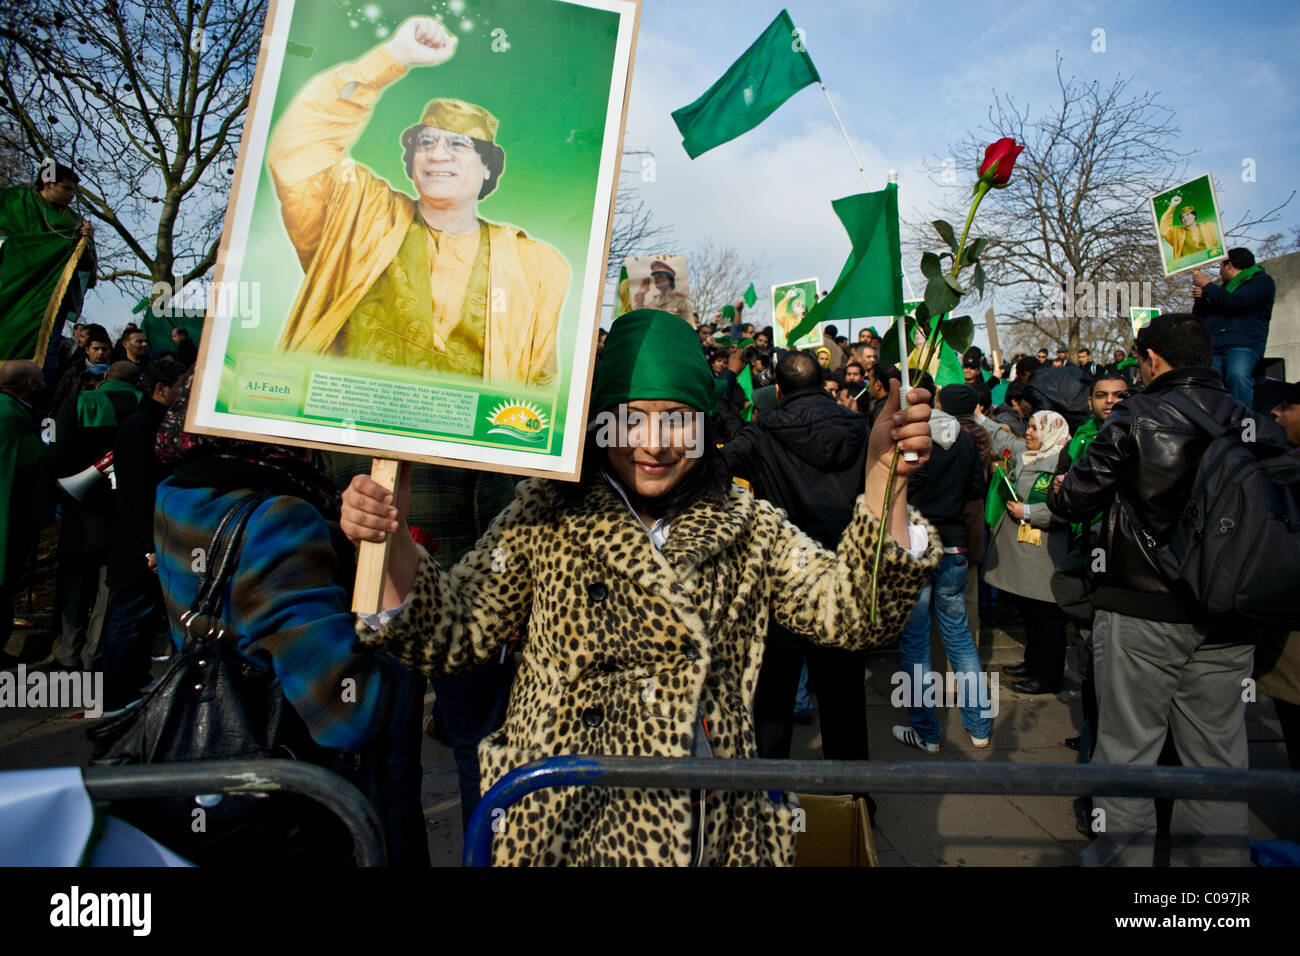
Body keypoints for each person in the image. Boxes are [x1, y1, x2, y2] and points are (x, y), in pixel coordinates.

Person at [340, 309, 939, 866]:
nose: (653, 442)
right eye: (630, 417)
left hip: (709, 828)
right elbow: (455, 635)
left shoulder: (748, 524)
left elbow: (856, 615)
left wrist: (885, 478)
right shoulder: (544, 514)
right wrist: (387, 542)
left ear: (704, 426)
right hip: (558, 822)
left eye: (676, 418)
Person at [152, 373, 427, 864]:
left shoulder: (176, 490)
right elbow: (349, 713)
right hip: (287, 801)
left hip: (209, 768)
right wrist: (405, 652)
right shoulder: (280, 517)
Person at [1047, 313, 1289, 866]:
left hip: (1142, 605)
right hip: (1230, 609)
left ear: (1152, 359)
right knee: (1218, 757)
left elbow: (1073, 500)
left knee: (1127, 754)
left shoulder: (1138, 415)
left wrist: (1062, 485)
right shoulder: (1248, 421)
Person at [268, 16, 568, 385]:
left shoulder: (533, 265)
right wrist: (392, 56)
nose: (438, 154)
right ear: (412, 162)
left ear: (488, 168)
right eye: (426, 142)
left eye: (459, 144)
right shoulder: (361, 215)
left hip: (461, 441)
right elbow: (299, 149)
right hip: (344, 432)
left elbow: (538, 384)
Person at [721, 350, 884, 815]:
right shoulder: (858, 427)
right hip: (840, 578)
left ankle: (766, 800)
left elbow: (712, 471)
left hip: (784, 583)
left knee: (772, 698)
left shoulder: (768, 430)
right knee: (843, 701)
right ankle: (853, 799)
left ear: (778, 387)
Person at [892, 384, 990, 752]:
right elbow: (975, 491)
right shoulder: (965, 441)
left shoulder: (912, 438)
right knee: (959, 638)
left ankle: (927, 732)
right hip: (953, 545)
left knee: (915, 643)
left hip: (917, 549)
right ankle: (979, 724)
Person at [94, 359, 185, 710]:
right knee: (129, 616)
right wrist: (148, 544)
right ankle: (116, 694)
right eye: (179, 385)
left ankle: (132, 680)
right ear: (161, 389)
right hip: (139, 541)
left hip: (148, 536)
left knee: (142, 616)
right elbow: (136, 491)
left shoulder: (154, 422)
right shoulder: (142, 425)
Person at [48, 360, 142, 670]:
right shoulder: (144, 408)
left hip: (83, 510)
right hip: (124, 511)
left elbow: (59, 457)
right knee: (109, 584)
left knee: (75, 581)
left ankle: (67, 650)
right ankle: (96, 652)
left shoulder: (76, 404)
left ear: (104, 379)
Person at [984, 410, 1072, 695]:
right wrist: (977, 414)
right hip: (1025, 553)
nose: (1029, 432)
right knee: (1031, 614)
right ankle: (1033, 663)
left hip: (1044, 554)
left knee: (1047, 617)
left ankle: (1048, 676)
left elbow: (1066, 508)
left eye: (1035, 428)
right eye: (1030, 426)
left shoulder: (1063, 461)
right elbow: (1000, 438)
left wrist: (1030, 511)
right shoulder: (1031, 453)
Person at [0, 162, 97, 373]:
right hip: (14, 288)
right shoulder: (15, 201)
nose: (72, 195)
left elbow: (85, 266)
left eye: (74, 190)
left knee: (48, 348)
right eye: (67, 189)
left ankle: (40, 396)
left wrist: (86, 241)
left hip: (54, 296)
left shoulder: (74, 221)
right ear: (48, 183)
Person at [0, 361, 50, 657]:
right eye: (41, 379)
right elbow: (33, 462)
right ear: (30, 386)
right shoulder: (11, 417)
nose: (45, 383)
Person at [1192, 247, 1275, 407]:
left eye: (1220, 267)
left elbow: (1235, 302)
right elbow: (1201, 317)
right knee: (1211, 384)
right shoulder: (1221, 291)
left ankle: (1243, 424)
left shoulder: (1261, 282)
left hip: (1242, 344)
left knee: (1237, 376)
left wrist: (1208, 285)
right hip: (1215, 346)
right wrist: (1200, 299)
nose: (1220, 273)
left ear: (1228, 265)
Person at [1160, 194, 1220, 263]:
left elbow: (1216, 244)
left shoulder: (1208, 227)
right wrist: (1172, 206)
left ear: (1194, 216)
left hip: (1208, 262)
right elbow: (1164, 227)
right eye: (1182, 217)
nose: (1185, 218)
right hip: (1186, 265)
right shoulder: (1177, 233)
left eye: (1188, 215)